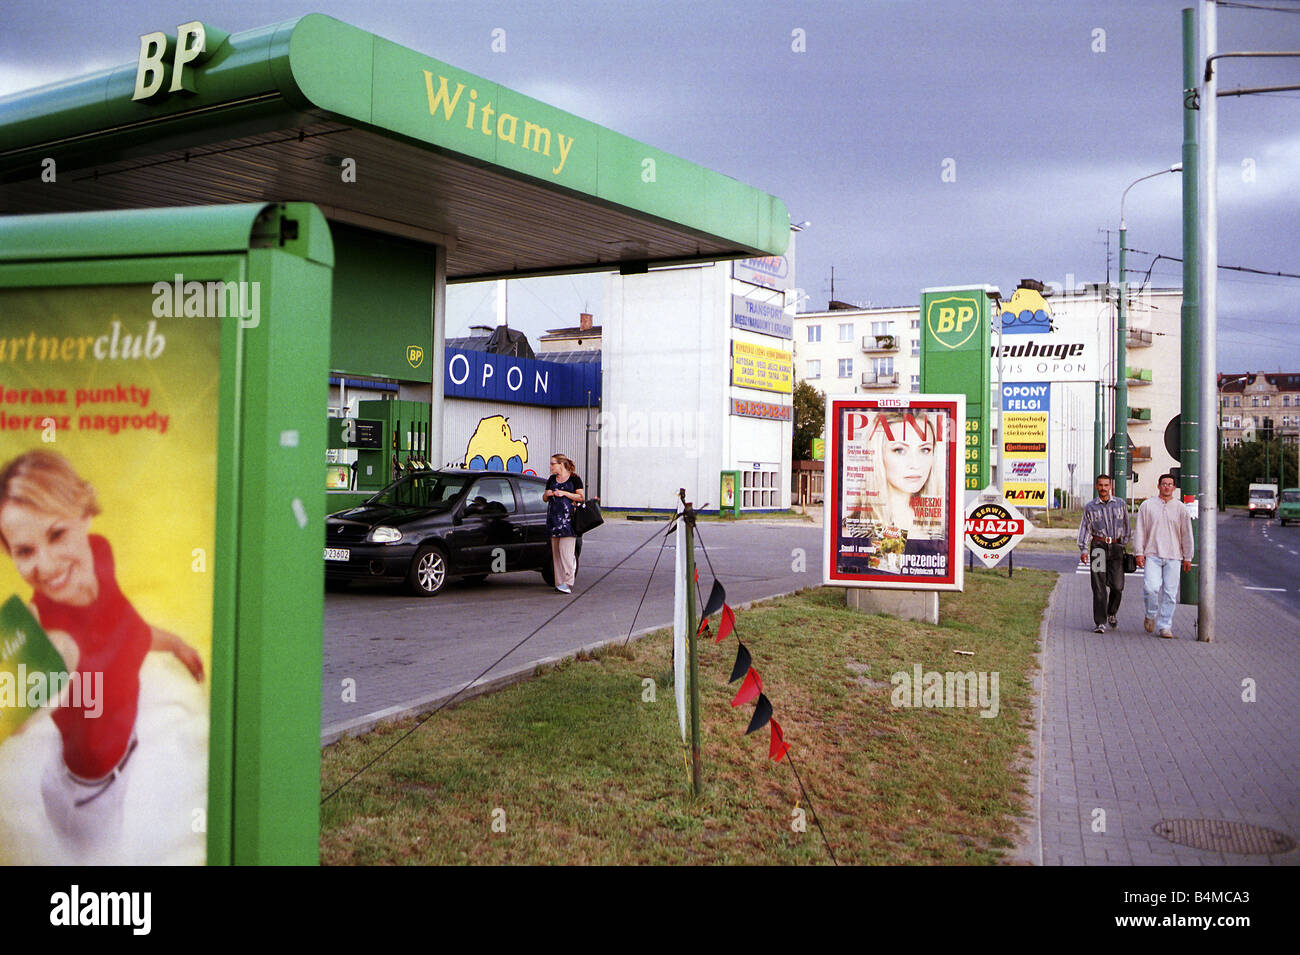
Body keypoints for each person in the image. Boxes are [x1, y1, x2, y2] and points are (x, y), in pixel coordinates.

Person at [0, 450, 204, 853]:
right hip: (84, 801)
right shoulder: (38, 630)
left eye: (56, 534)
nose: (45, 564)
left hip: (130, 756)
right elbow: (10, 718)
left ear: (84, 513)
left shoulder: (100, 554)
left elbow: (125, 624)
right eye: (24, 551)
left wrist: (175, 643)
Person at [844, 410, 946, 572]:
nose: (915, 464)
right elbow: (880, 584)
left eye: (924, 450)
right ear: (878, 455)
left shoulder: (937, 522)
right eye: (899, 450)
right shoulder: (855, 528)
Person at [1133, 473, 1194, 639]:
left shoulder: (1181, 508)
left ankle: (1165, 625)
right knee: (1151, 588)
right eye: (1164, 484)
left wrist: (1188, 556)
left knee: (1170, 593)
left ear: (1174, 488)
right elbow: (1140, 531)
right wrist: (1139, 552)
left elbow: (1187, 533)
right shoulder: (1147, 506)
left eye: (1170, 484)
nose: (1167, 487)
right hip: (1152, 554)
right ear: (1158, 486)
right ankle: (1150, 614)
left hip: (1174, 556)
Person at [1077, 473, 1130, 633]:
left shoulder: (1120, 504)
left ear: (1111, 487)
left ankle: (1111, 612)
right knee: (1098, 586)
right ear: (1096, 486)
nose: (1103, 488)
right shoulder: (1090, 507)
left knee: (1118, 586)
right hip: (1098, 547)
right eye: (1100, 485)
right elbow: (1085, 528)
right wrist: (1084, 549)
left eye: (1106, 485)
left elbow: (1127, 525)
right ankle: (1100, 622)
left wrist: (1124, 543)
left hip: (1116, 547)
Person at [543, 453, 584, 594]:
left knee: (566, 553)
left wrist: (564, 493)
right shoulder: (552, 479)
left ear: (561, 464)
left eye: (553, 464)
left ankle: (568, 582)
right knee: (556, 553)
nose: (550, 467)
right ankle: (559, 582)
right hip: (553, 520)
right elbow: (544, 498)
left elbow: (581, 497)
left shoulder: (574, 479)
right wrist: (548, 494)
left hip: (568, 521)